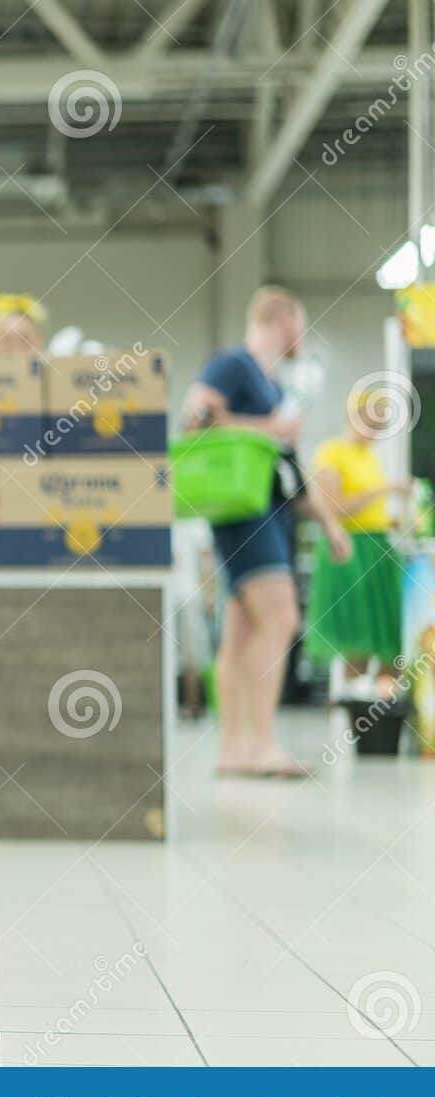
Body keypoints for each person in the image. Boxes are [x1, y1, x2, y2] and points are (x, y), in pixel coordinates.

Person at [181, 286, 351, 777]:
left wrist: (329, 523)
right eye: (300, 323)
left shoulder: (273, 386)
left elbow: (290, 474)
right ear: (283, 321)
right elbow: (195, 420)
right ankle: (260, 747)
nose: (302, 334)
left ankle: (234, 750)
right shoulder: (234, 365)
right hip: (244, 515)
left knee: (241, 634)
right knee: (279, 620)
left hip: (268, 514)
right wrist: (269, 425)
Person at [305, 393, 410, 700]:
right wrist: (385, 489)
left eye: (382, 423)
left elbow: (370, 511)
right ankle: (354, 714)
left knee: (386, 642)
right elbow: (332, 507)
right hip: (349, 551)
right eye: (371, 420)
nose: (376, 429)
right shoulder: (331, 453)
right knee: (357, 640)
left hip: (379, 549)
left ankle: (382, 712)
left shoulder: (370, 457)